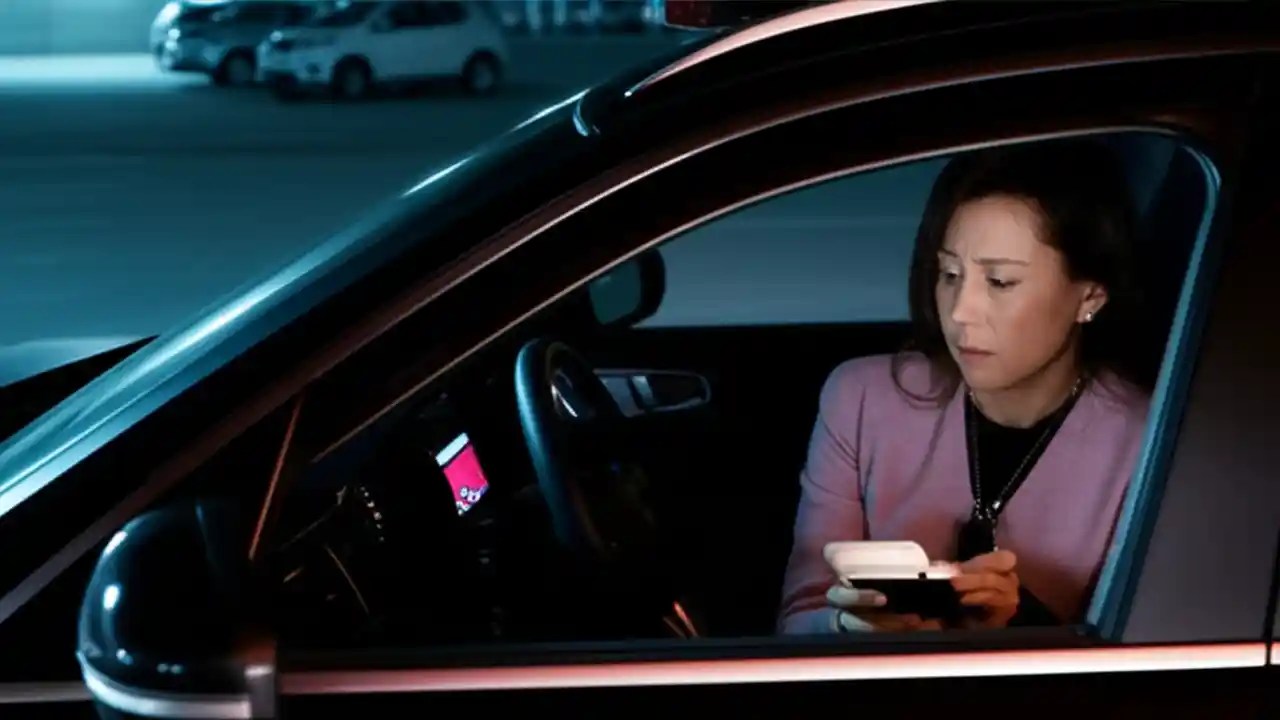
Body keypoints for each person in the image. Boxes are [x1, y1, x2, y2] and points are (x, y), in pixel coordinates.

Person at [777, 139, 1153, 634]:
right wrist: (849, 627)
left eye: (1000, 282)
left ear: (1090, 296)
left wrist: (1017, 622)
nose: (959, 312)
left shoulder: (1147, 442)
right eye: (949, 274)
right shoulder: (862, 400)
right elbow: (798, 618)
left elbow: (1146, 651)